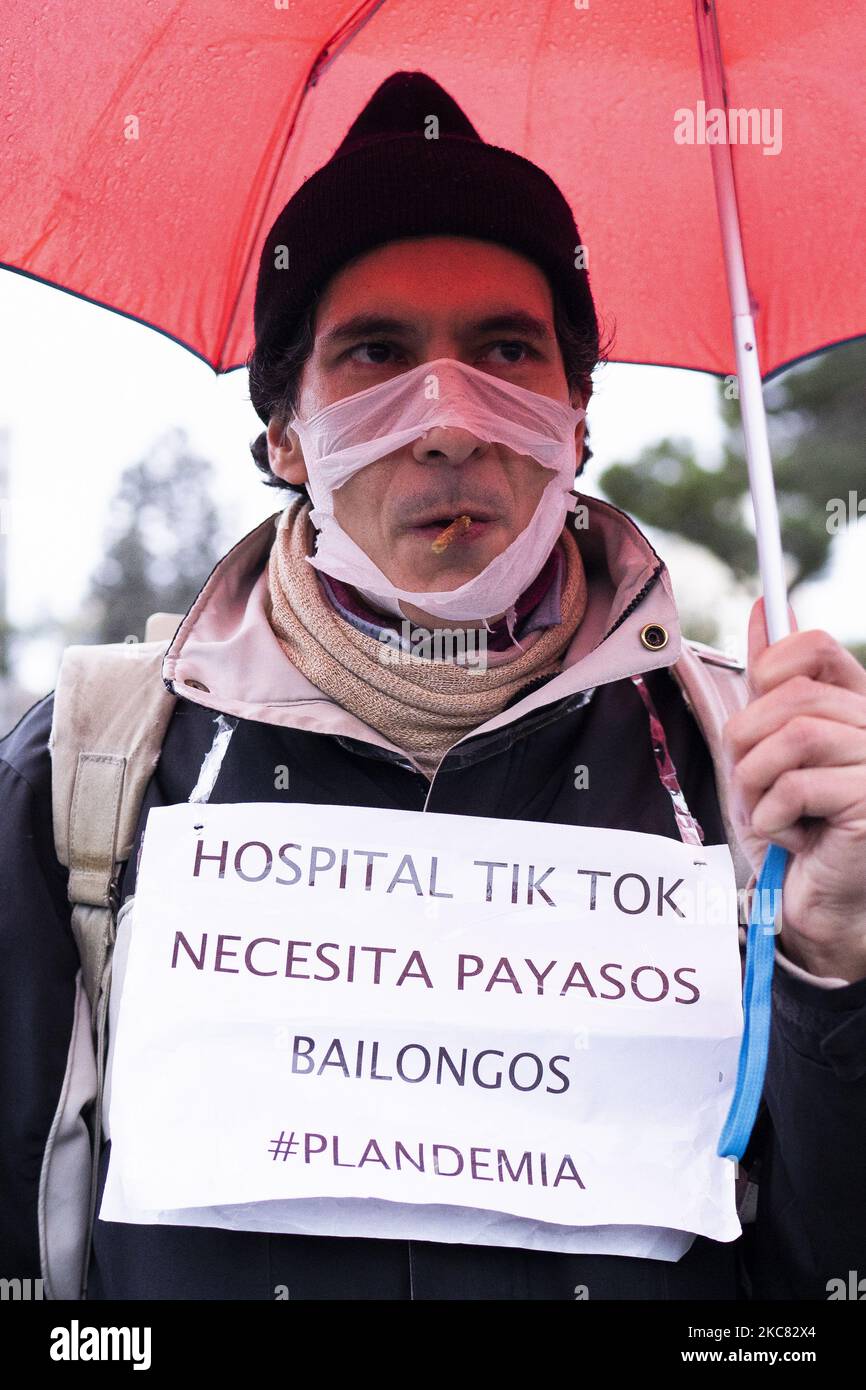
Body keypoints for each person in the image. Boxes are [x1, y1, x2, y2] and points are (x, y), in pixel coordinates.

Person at [1, 71, 865, 1302]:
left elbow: (822, 1290)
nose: (448, 420)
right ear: (284, 436)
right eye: (376, 354)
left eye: (506, 352)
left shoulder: (753, 770)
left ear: (576, 413)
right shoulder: (86, 769)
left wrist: (834, 965)